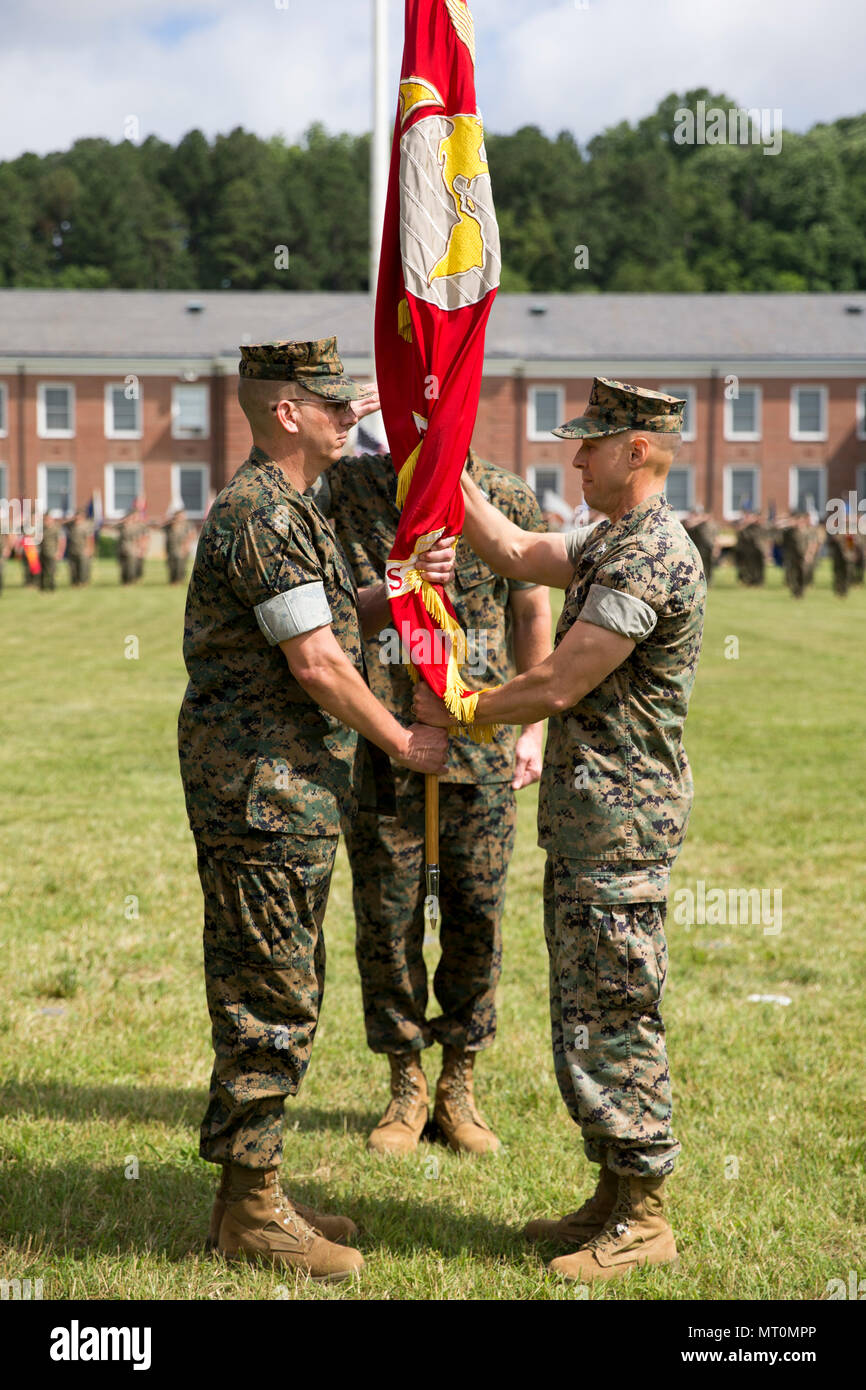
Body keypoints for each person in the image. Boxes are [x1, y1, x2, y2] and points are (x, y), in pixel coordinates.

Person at [413, 378, 706, 1284]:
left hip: (621, 823)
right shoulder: (611, 539)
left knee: (617, 1011)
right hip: (591, 822)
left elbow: (557, 685)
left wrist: (463, 707)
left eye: (591, 444)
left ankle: (647, 1214)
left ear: (638, 453)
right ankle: (614, 1193)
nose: (575, 458)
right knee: (587, 1010)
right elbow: (509, 549)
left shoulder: (649, 555)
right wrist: (442, 459)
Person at [177, 337, 453, 1283]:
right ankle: (252, 1212)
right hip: (261, 798)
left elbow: (327, 626)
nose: (355, 420)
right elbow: (318, 664)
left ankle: (249, 1198)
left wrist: (397, 598)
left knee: (284, 983)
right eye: (337, 406)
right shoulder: (262, 512)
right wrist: (401, 740)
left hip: (285, 798)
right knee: (270, 996)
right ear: (286, 411)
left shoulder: (295, 510)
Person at [316, 439, 551, 1157]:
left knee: (476, 915)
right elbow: (315, 617)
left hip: (480, 744)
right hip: (384, 739)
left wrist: (532, 729)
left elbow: (532, 615)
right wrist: (400, 586)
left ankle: (460, 1082)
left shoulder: (502, 496)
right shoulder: (346, 491)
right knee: (387, 918)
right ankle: (406, 1083)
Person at [683, 509, 719, 584]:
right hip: (697, 548)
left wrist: (716, 549)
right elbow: (689, 525)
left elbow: (716, 538)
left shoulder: (711, 525)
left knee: (709, 565)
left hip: (708, 547)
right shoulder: (693, 523)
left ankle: (708, 581)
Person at [65, 509, 94, 586]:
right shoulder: (70, 525)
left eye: (79, 516)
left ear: (83, 517)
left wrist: (90, 549)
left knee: (83, 567)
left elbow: (90, 538)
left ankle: (83, 582)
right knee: (73, 568)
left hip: (83, 550)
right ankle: (75, 583)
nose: (77, 518)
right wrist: (71, 519)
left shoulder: (86, 526)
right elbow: (60, 524)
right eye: (76, 516)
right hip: (72, 550)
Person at [164, 506, 192, 585]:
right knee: (171, 565)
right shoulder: (170, 525)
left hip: (181, 547)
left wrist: (186, 546)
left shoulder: (187, 525)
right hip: (171, 548)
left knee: (180, 565)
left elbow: (190, 536)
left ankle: (179, 580)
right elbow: (161, 527)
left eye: (182, 515)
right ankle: (173, 580)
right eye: (178, 515)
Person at [39, 511, 62, 591]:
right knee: (42, 570)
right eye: (45, 519)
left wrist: (59, 552)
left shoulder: (56, 528)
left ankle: (52, 587)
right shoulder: (41, 528)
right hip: (42, 552)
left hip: (52, 552)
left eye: (48, 519)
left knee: (52, 570)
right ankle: (42, 587)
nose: (46, 521)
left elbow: (60, 541)